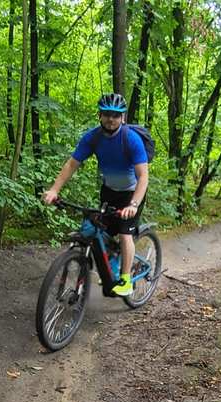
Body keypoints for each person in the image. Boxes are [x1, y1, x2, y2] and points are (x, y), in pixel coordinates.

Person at [43, 93, 149, 296]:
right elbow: (72, 164)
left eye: (116, 115)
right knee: (101, 230)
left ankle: (126, 280)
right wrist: (55, 190)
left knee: (124, 233)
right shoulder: (93, 138)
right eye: (107, 114)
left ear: (123, 118)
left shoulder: (131, 139)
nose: (111, 119)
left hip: (131, 194)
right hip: (109, 191)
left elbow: (143, 176)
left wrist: (134, 205)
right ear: (100, 115)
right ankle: (113, 261)